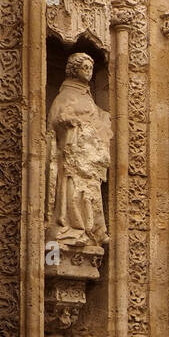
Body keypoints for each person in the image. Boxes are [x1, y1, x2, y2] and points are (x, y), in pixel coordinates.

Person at [48, 52, 111, 247]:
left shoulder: (88, 97)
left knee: (92, 193)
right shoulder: (66, 95)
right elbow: (56, 118)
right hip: (72, 154)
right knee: (74, 191)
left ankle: (95, 230)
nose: (89, 72)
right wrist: (69, 121)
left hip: (90, 155)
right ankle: (74, 228)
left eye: (91, 68)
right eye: (85, 68)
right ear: (74, 70)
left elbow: (96, 117)